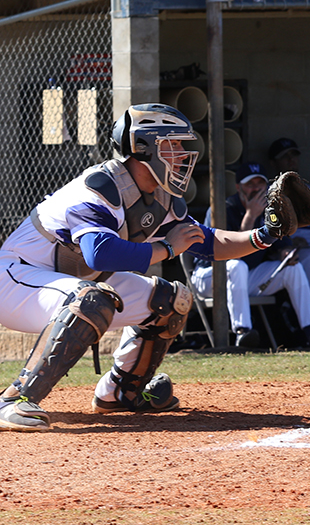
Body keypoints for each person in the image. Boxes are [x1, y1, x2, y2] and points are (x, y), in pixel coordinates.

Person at [0, 104, 293, 432]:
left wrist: (265, 235)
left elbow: (206, 242)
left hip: (68, 284)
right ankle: (15, 399)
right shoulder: (99, 188)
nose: (183, 154)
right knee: (92, 298)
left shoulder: (159, 195)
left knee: (171, 301)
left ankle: (120, 392)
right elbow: (99, 254)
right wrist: (167, 248)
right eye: (174, 145)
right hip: (15, 279)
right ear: (143, 148)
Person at [189, 161, 310, 350]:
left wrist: (286, 253)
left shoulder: (272, 209)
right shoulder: (223, 208)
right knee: (237, 266)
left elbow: (281, 246)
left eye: (259, 184)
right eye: (250, 184)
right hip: (209, 277)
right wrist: (251, 216)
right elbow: (228, 253)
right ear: (238, 187)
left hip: (244, 279)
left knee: (293, 268)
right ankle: (243, 333)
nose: (256, 189)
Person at [268, 137, 310, 302]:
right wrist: (289, 242)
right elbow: (262, 230)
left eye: (293, 155)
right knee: (306, 261)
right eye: (284, 156)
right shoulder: (267, 196)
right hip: (281, 253)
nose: (291, 160)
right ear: (274, 163)